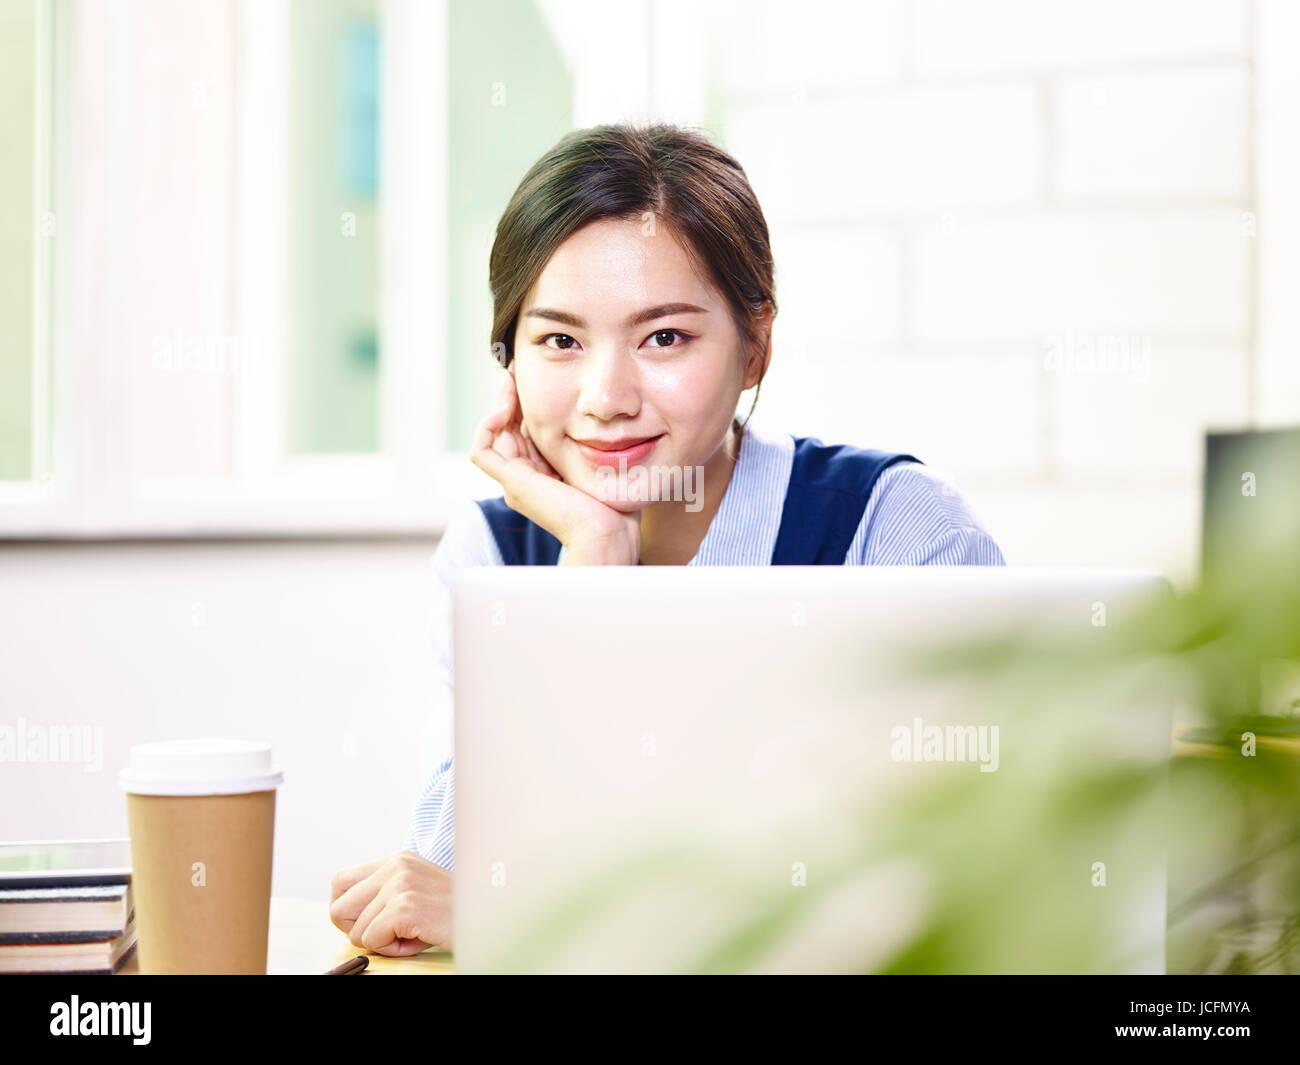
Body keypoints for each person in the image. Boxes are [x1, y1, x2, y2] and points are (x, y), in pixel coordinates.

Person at [329, 122, 1006, 956]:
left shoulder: (896, 529)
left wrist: (523, 912)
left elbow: (969, 892)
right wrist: (591, 567)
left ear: (755, 343)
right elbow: (439, 882)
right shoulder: (494, 554)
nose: (606, 396)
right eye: (560, 341)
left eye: (664, 337)